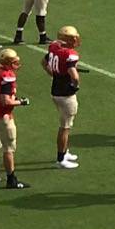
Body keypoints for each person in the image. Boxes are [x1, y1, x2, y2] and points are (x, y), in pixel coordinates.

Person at [0, 48, 29, 188]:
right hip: (4, 117)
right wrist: (21, 102)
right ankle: (11, 180)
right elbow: (6, 101)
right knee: (9, 149)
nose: (16, 63)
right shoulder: (7, 77)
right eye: (13, 61)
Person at [44, 25, 82, 169]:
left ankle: (64, 152)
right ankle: (61, 158)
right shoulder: (69, 54)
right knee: (65, 127)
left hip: (55, 89)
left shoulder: (54, 47)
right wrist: (75, 85)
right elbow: (75, 76)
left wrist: (54, 73)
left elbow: (44, 62)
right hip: (65, 94)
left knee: (66, 125)